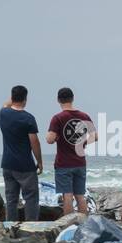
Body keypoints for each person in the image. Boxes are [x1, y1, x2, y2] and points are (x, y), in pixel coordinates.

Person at [45, 87, 94, 215]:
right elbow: (96, 136)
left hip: (64, 163)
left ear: (58, 100)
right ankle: (84, 225)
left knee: (67, 195)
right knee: (80, 195)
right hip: (80, 162)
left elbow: (49, 140)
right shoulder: (84, 116)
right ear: (73, 99)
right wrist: (82, 143)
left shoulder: (58, 118)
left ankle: (68, 225)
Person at [0, 85, 42, 222]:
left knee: (11, 199)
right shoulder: (28, 118)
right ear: (25, 99)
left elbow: (6, 104)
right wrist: (39, 161)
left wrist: (13, 98)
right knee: (30, 198)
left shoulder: (3, 113)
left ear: (12, 97)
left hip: (7, 164)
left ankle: (10, 227)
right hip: (25, 166)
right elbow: (34, 142)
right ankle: (31, 228)